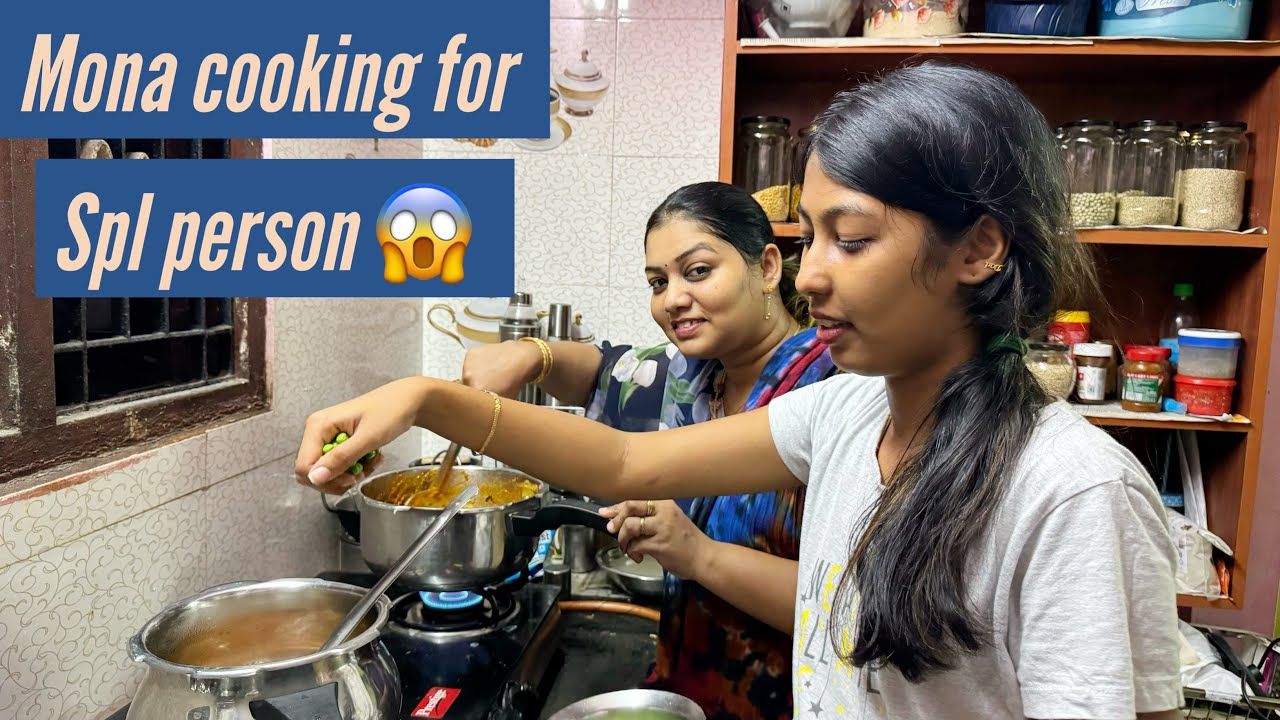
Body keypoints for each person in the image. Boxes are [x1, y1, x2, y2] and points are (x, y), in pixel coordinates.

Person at [297, 61, 1182, 719]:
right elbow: (625, 459)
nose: (814, 278)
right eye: (811, 240)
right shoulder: (844, 412)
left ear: (979, 249)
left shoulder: (1071, 492)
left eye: (854, 240)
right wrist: (423, 396)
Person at [326, 180, 837, 720]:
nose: (672, 300)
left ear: (769, 267)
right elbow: (598, 371)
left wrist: (698, 555)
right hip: (687, 691)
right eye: (657, 282)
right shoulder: (692, 378)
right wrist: (532, 354)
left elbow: (845, 608)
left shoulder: (829, 386)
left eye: (698, 271)